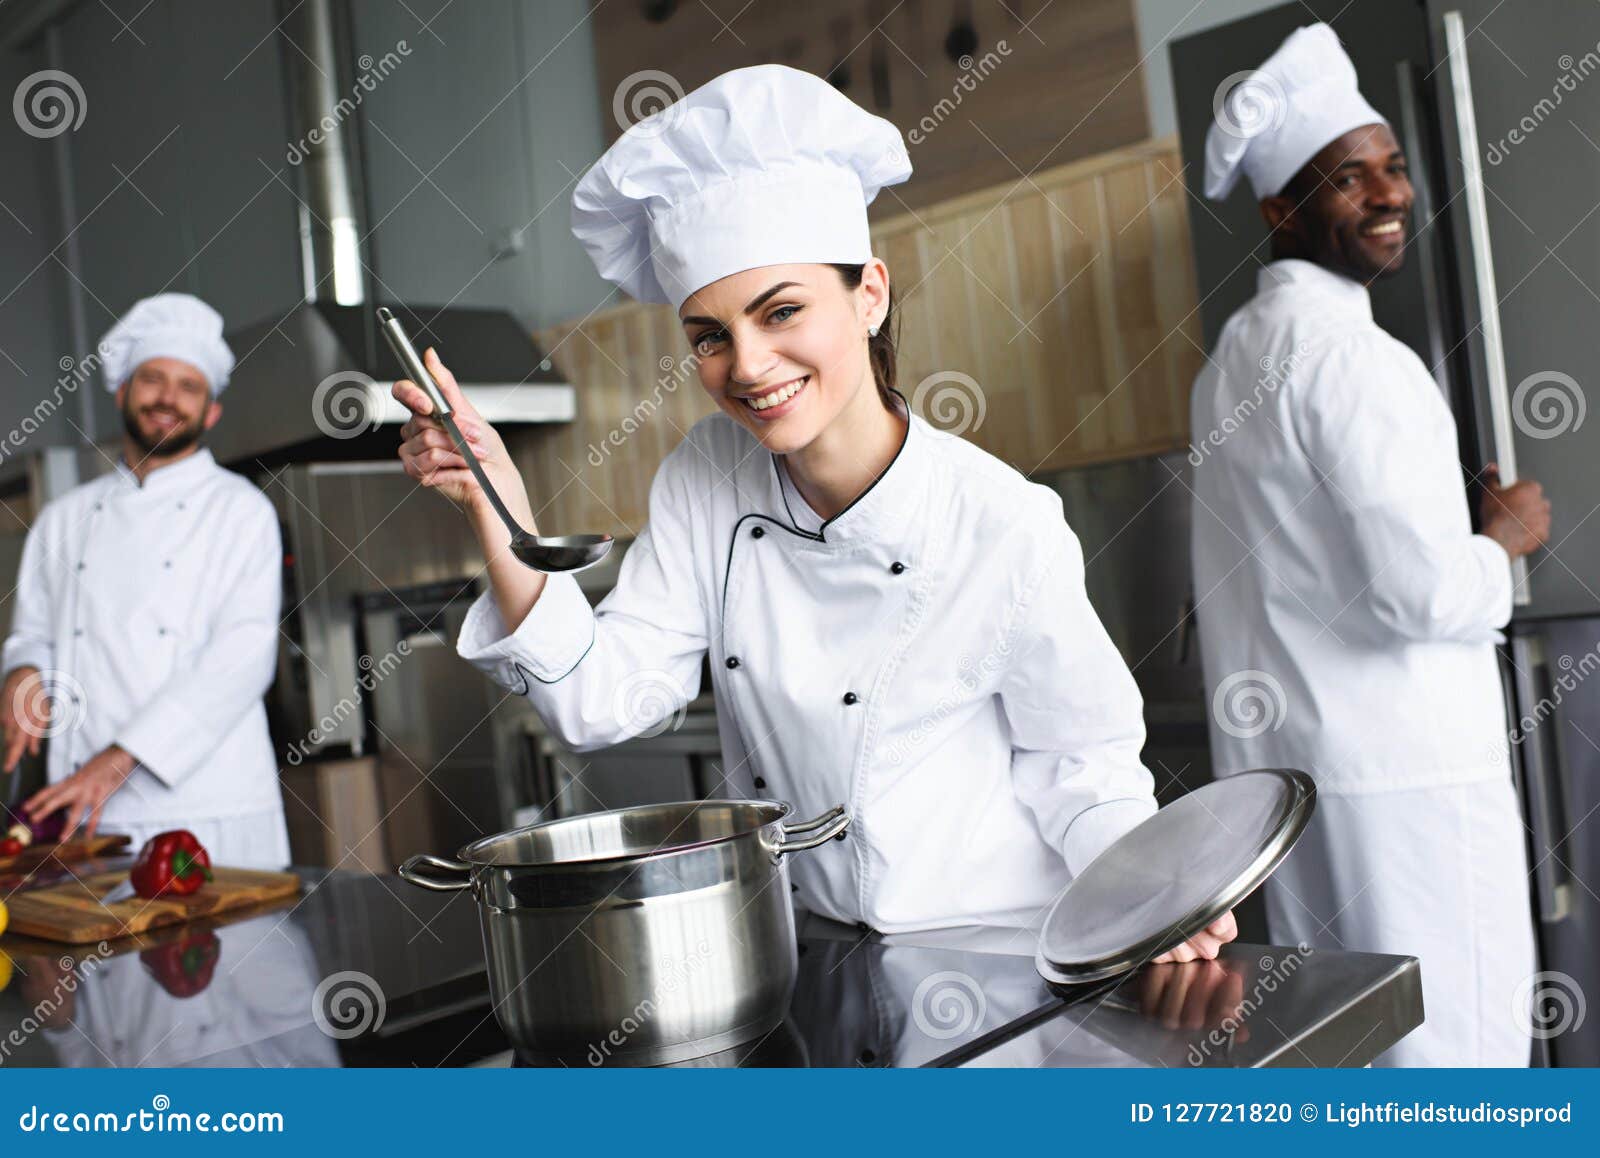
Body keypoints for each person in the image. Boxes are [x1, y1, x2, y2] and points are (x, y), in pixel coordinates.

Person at [393, 64, 1236, 954]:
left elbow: (1083, 764)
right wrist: (498, 503)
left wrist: (1149, 893)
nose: (748, 366)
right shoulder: (704, 477)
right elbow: (601, 703)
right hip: (812, 949)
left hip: (996, 949)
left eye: (782, 311)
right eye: (710, 337)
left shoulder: (999, 520)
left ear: (867, 295)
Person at [1191, 25, 1552, 1065]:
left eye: (1392, 167)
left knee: (1353, 1068)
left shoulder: (1232, 363)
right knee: (1464, 1068)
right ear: (1280, 209)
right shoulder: (1354, 358)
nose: (1389, 193)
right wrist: (1501, 540)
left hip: (1298, 794)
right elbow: (1423, 597)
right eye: (1348, 179)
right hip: (1411, 790)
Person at [0, 293, 290, 868]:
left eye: (188, 386)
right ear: (122, 392)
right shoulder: (63, 517)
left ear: (210, 412)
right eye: (152, 379)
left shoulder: (240, 511)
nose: (167, 398)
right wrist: (22, 671)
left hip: (211, 808)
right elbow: (34, 630)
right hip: (86, 811)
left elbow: (241, 658)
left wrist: (119, 758)